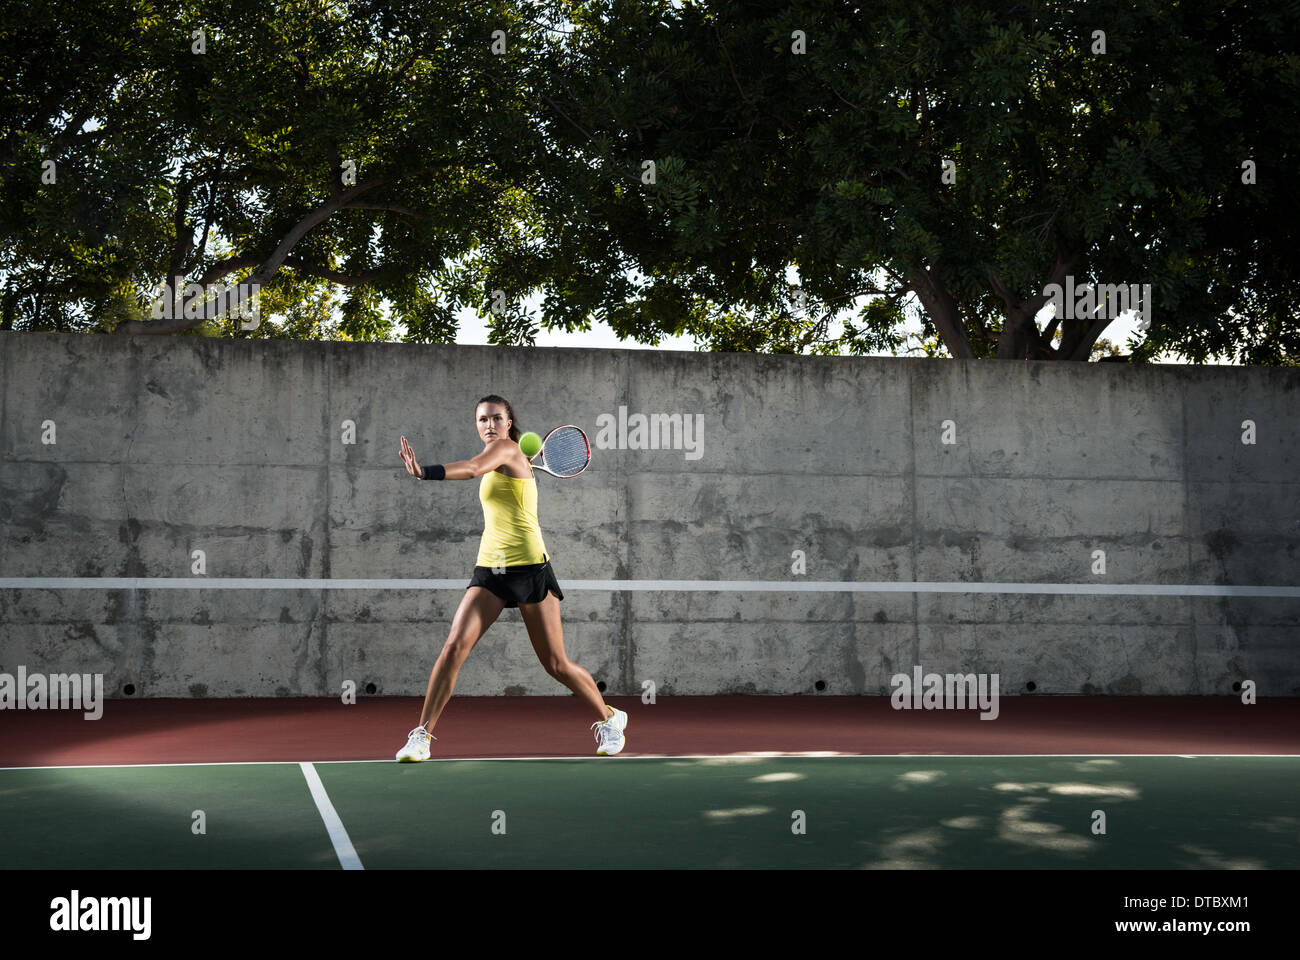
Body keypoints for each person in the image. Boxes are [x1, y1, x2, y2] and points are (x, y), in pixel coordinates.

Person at [394, 394, 627, 761]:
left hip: (529, 567)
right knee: (453, 648)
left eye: (495, 418)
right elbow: (483, 469)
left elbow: (471, 468)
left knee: (556, 665)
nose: (488, 425)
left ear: (508, 423)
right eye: (482, 420)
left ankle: (610, 718)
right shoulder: (507, 455)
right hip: (490, 569)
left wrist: (426, 471)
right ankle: (421, 736)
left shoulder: (506, 449)